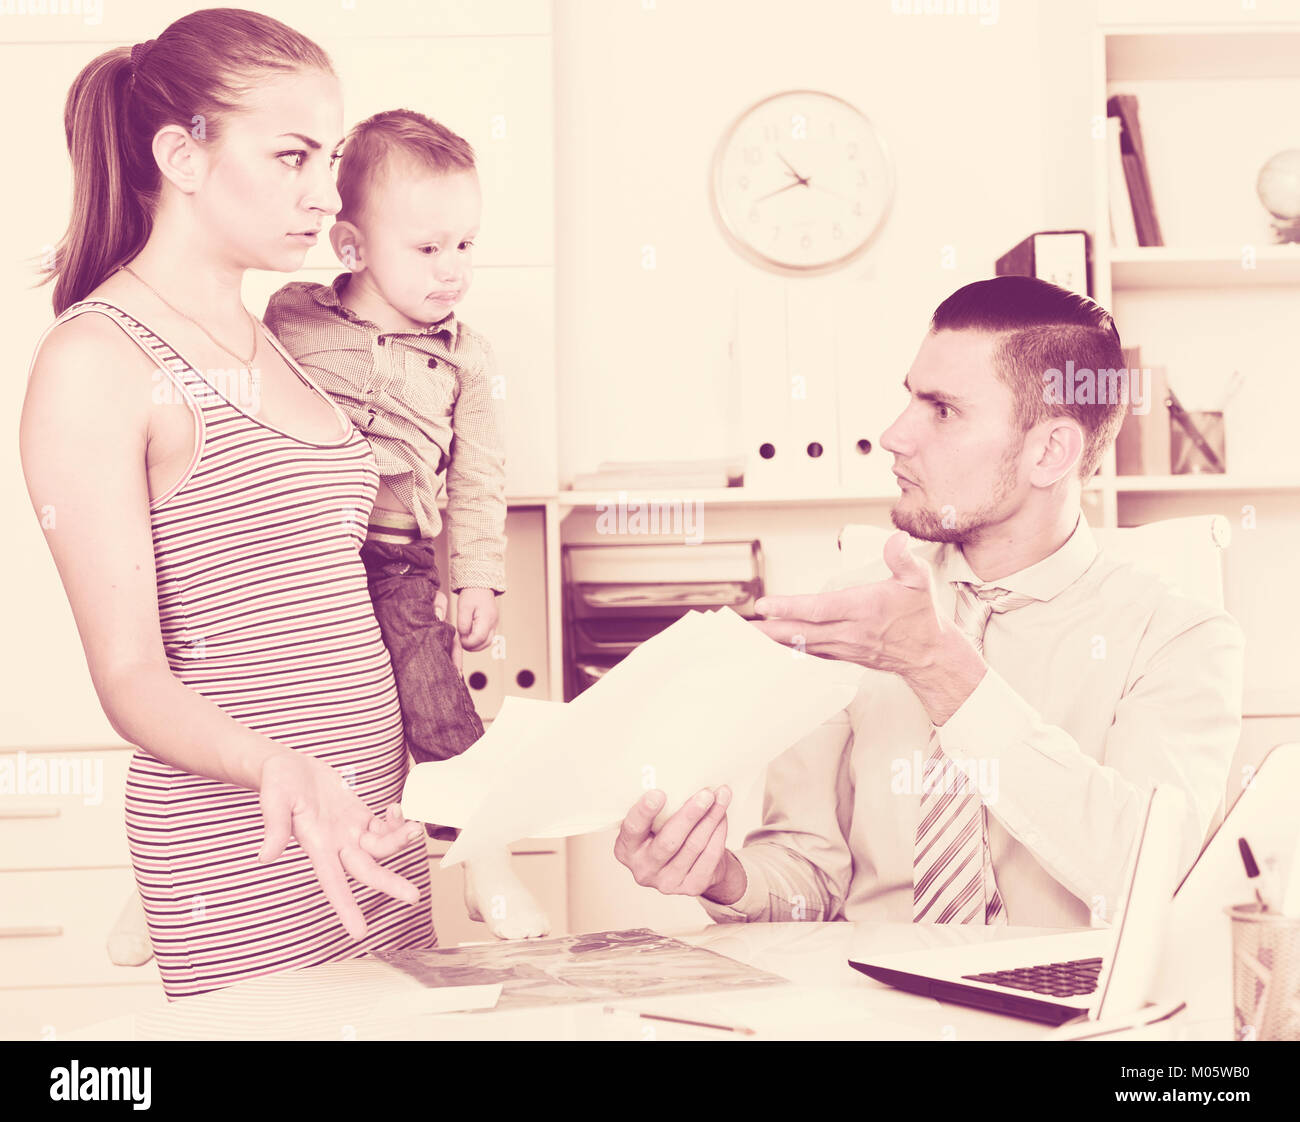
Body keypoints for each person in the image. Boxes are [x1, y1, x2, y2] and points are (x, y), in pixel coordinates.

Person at [613, 276, 1245, 929]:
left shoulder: (1180, 634)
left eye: (942, 410)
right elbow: (808, 878)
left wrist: (943, 671)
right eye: (909, 400)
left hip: (1071, 1014)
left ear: (1051, 451)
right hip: (872, 1004)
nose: (893, 436)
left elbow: (1144, 875)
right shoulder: (852, 611)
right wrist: (722, 877)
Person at [20, 9, 434, 999]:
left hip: (367, 824)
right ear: (182, 155)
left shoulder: (276, 339)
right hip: (243, 837)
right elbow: (127, 674)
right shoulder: (97, 362)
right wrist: (277, 767)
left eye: (328, 156)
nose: (324, 193)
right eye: (291, 156)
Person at [262, 109, 550, 939]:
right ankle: (151, 885)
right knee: (243, 689)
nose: (453, 270)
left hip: (393, 559)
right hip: (296, 552)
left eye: (466, 245)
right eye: (428, 249)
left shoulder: (471, 356)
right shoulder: (288, 319)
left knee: (433, 702)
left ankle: (480, 854)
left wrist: (478, 577)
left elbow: (480, 476)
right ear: (351, 247)